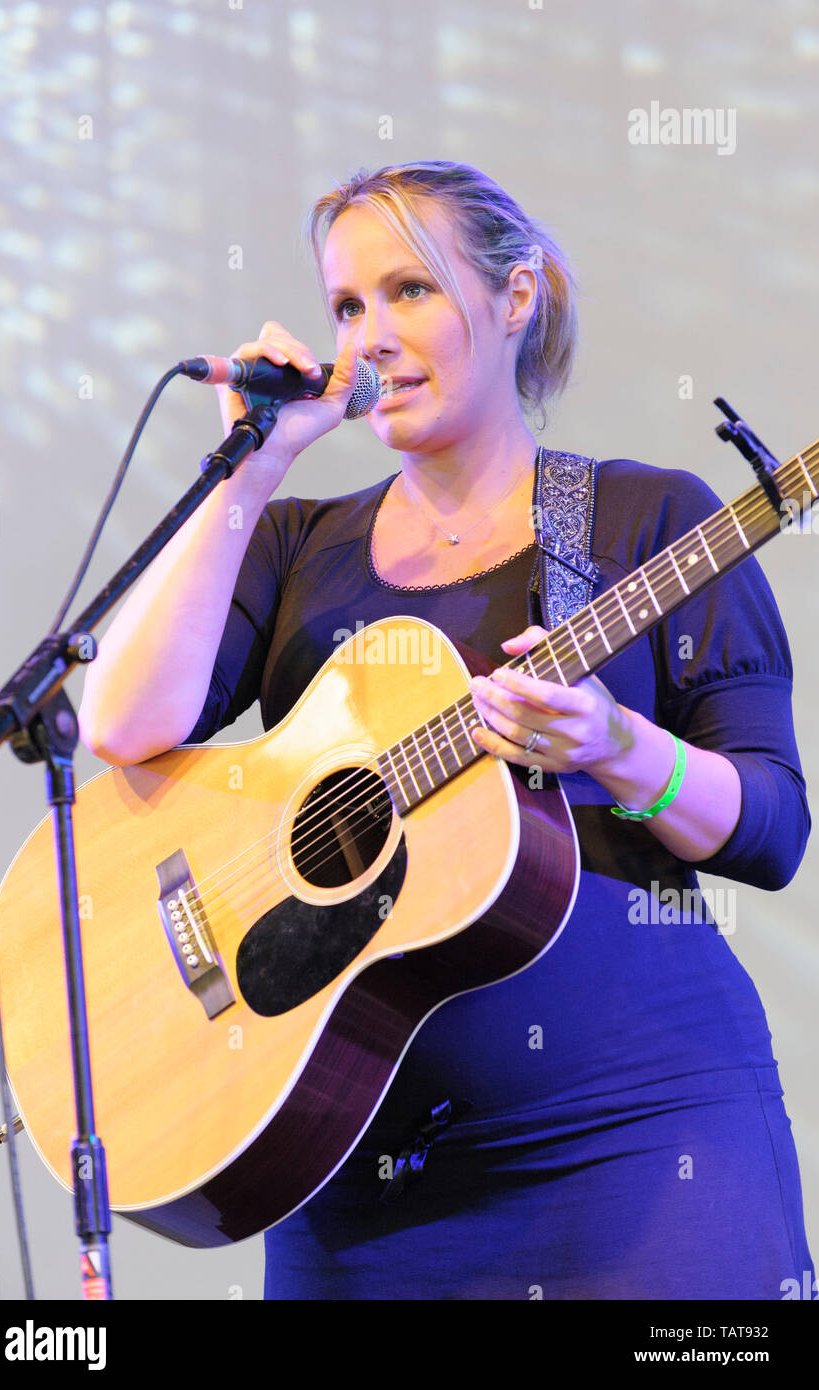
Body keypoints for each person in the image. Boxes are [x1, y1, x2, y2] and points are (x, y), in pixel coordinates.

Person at [79, 160, 814, 1300]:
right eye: (346, 306)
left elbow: (769, 829)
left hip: (637, 1154)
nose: (371, 335)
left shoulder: (647, 519)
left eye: (409, 291)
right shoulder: (289, 542)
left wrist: (620, 748)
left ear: (516, 300)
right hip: (345, 1171)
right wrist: (254, 462)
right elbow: (119, 723)